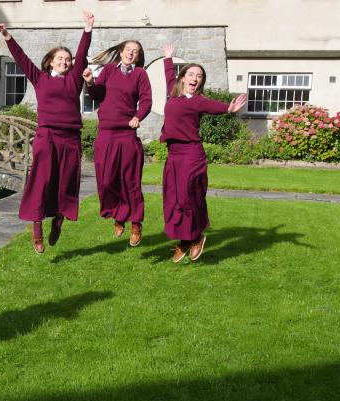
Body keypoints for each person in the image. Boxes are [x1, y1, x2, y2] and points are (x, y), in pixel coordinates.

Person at [0, 11, 94, 253]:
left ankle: (59, 217)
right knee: (42, 180)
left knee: (66, 183)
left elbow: (82, 56)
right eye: (60, 58)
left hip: (70, 138)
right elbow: (21, 60)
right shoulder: (39, 78)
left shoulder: (74, 80)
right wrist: (8, 37)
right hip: (47, 136)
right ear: (50, 61)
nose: (65, 61)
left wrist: (88, 29)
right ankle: (37, 223)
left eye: (68, 59)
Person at [160, 43, 246, 262]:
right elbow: (169, 74)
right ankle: (184, 240)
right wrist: (168, 58)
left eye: (199, 76)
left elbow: (214, 106)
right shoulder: (173, 93)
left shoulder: (199, 101)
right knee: (174, 199)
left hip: (191, 155)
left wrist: (229, 108)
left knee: (189, 197)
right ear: (182, 78)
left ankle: (196, 237)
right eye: (191, 74)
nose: (195, 79)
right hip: (174, 155)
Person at [83, 40, 152, 246]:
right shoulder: (109, 70)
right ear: (121, 52)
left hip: (127, 134)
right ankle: (119, 214)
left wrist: (138, 116)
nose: (131, 54)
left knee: (130, 181)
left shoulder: (140, 74)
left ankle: (136, 223)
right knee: (106, 180)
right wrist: (89, 82)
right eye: (128, 50)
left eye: (136, 52)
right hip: (106, 133)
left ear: (138, 57)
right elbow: (98, 95)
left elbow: (147, 100)